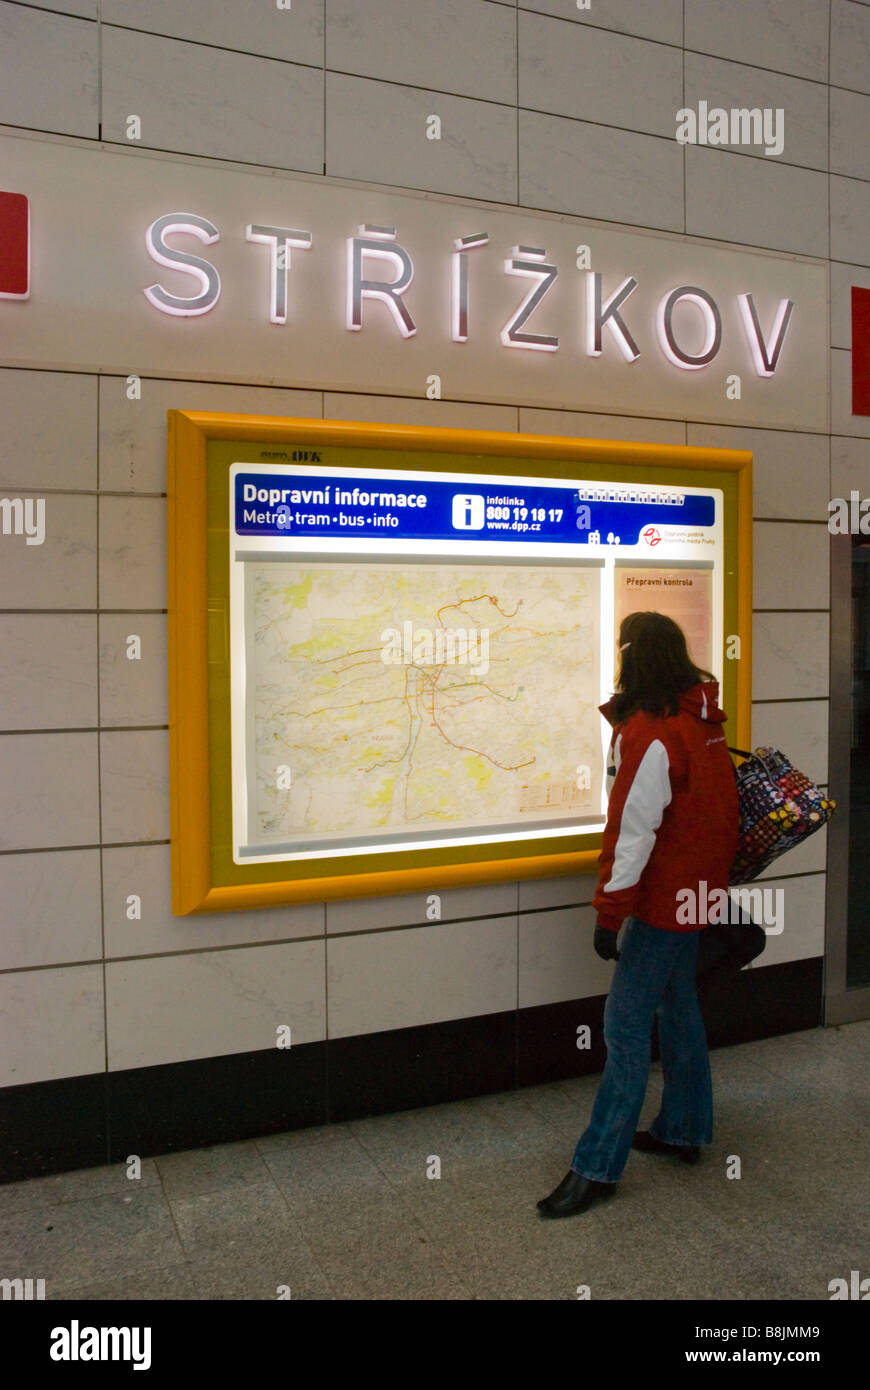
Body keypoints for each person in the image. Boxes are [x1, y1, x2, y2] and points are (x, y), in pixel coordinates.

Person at [537, 610, 740, 1219]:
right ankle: (684, 1129)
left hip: (664, 903)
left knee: (625, 1028)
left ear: (634, 658)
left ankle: (597, 1166)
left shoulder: (653, 732)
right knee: (679, 1009)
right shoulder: (699, 720)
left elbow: (634, 831)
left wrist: (609, 912)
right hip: (700, 893)